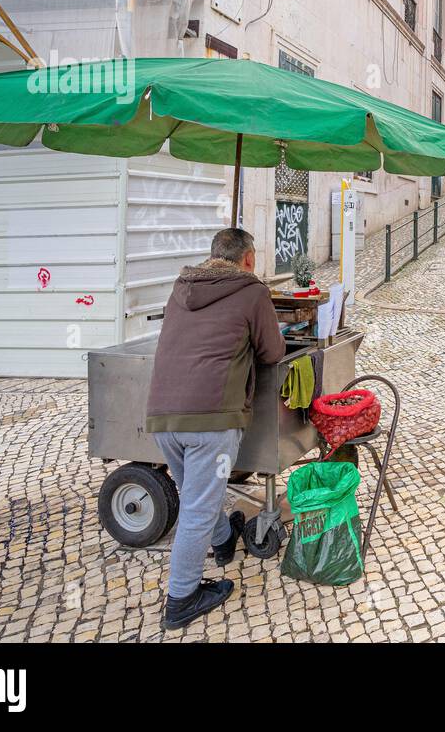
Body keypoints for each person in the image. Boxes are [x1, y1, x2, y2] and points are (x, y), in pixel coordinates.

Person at [146, 227, 286, 631]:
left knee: (199, 491)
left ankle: (224, 539)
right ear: (247, 259)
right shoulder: (253, 290)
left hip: (163, 415)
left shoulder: (181, 287)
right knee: (197, 507)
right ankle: (182, 598)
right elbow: (273, 352)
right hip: (212, 418)